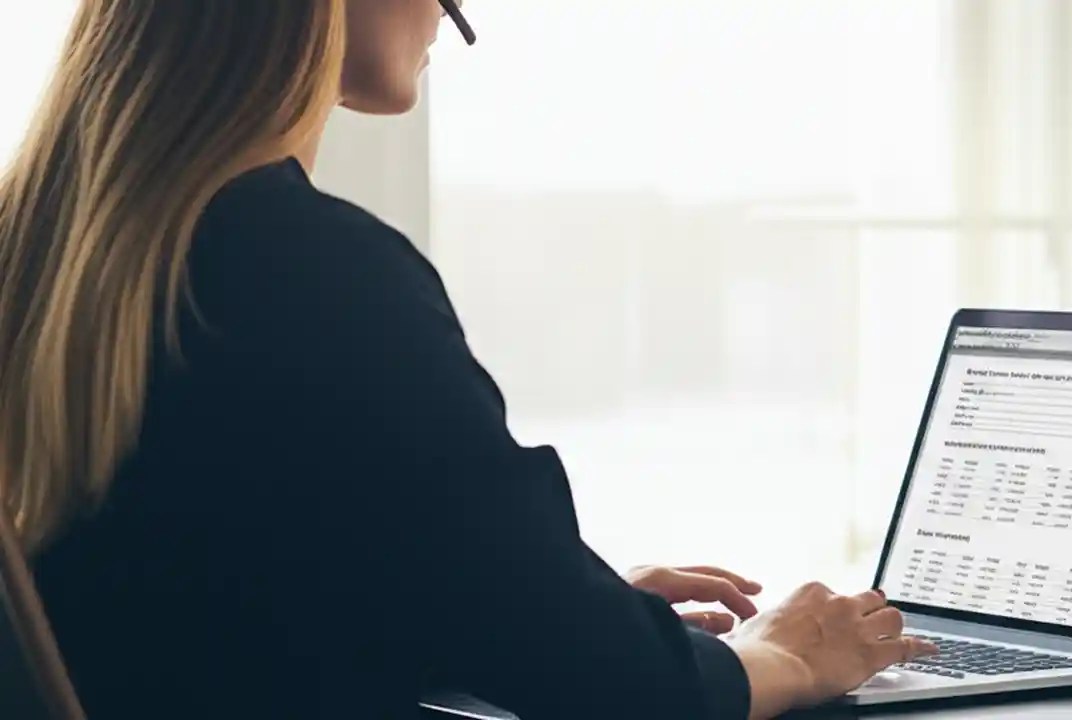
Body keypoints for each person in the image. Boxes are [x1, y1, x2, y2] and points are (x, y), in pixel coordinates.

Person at [0, 2, 935, 719]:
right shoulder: (305, 270)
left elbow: (201, 601)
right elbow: (610, 695)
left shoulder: (49, 256)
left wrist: (523, 595)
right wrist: (786, 656)